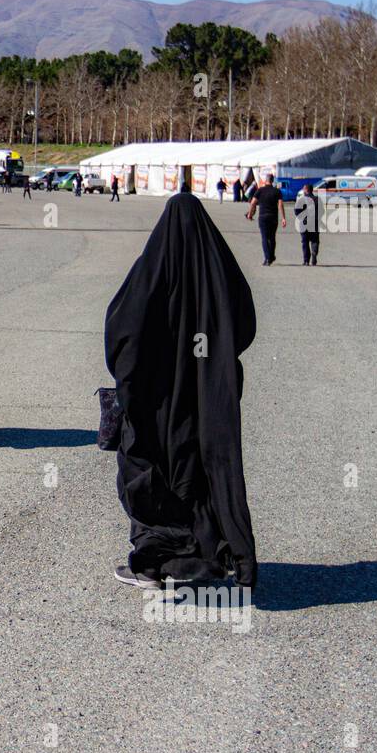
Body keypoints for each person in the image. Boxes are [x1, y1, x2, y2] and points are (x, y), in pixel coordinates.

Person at [104, 192, 257, 591]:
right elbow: (244, 324)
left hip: (157, 398)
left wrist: (132, 378)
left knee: (148, 467)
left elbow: (123, 328)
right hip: (204, 392)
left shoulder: (154, 267)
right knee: (198, 470)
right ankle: (201, 558)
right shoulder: (219, 269)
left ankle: (153, 564)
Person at [245, 173, 286, 266]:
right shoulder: (277, 191)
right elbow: (280, 205)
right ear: (273, 181)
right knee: (272, 237)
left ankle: (268, 258)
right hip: (273, 217)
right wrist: (283, 218)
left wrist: (250, 214)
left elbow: (252, 203)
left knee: (264, 238)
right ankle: (271, 256)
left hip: (263, 217)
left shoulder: (260, 190)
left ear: (265, 180)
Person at [294, 183, 320, 266]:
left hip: (304, 224)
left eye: (303, 189)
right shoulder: (317, 199)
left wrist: (301, 218)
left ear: (306, 190)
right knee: (315, 240)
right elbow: (322, 211)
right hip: (314, 223)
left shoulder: (302, 200)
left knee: (305, 242)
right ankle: (314, 254)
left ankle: (306, 261)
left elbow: (296, 211)